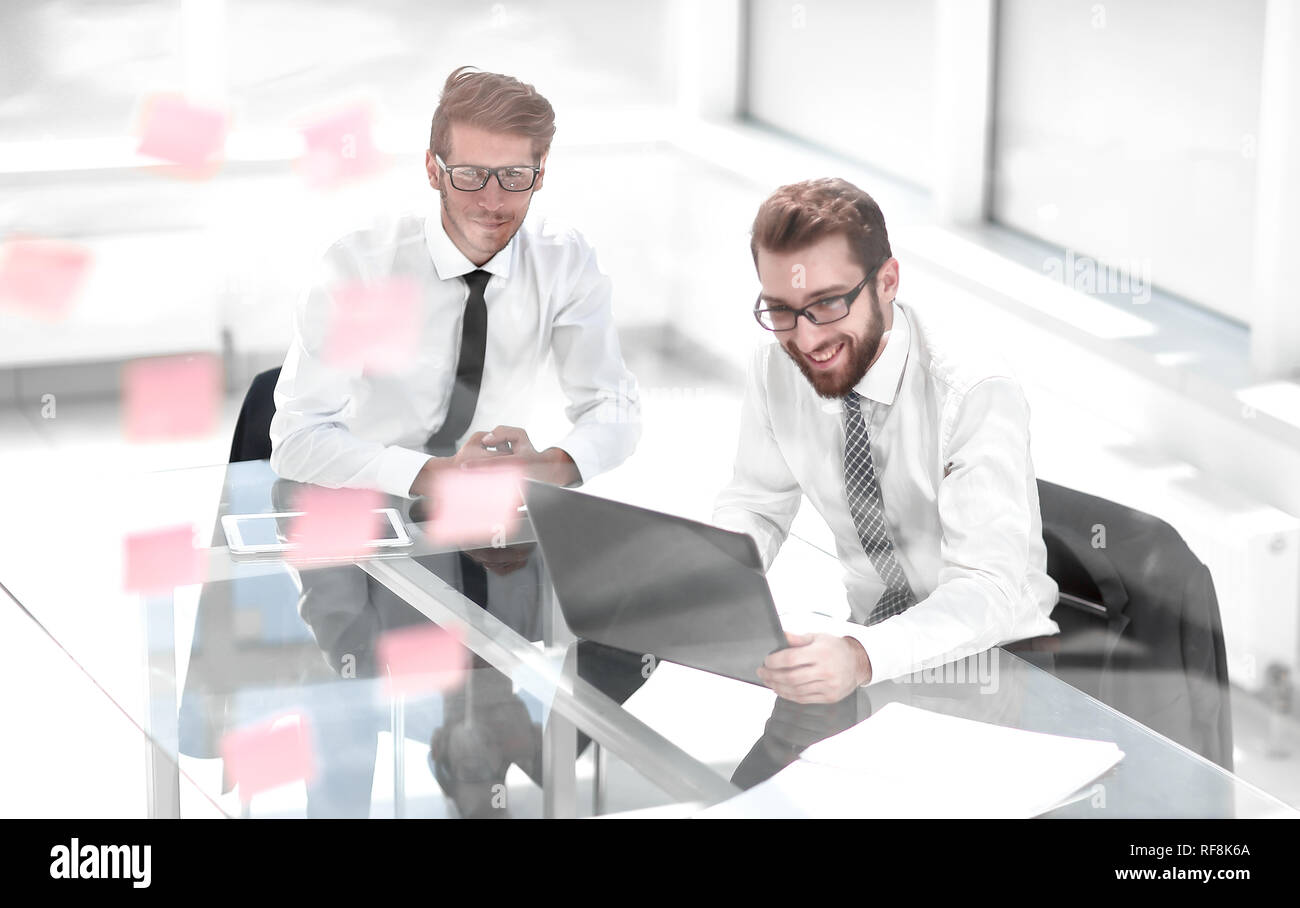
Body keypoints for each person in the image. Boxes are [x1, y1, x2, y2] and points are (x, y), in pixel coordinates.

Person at [713, 177, 1059, 705]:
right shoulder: (775, 366)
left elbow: (986, 590)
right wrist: (710, 581)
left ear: (888, 281)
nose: (806, 340)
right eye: (781, 310)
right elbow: (757, 506)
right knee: (755, 786)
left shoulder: (973, 390)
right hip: (867, 646)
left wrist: (860, 655)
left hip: (996, 663)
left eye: (827, 304)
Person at [270, 65, 640, 504]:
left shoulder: (564, 260)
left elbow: (612, 404)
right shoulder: (361, 268)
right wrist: (436, 475)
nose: (492, 200)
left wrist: (546, 466)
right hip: (361, 498)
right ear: (433, 169)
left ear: (540, 174)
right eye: (469, 174)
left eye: (514, 176)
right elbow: (297, 439)